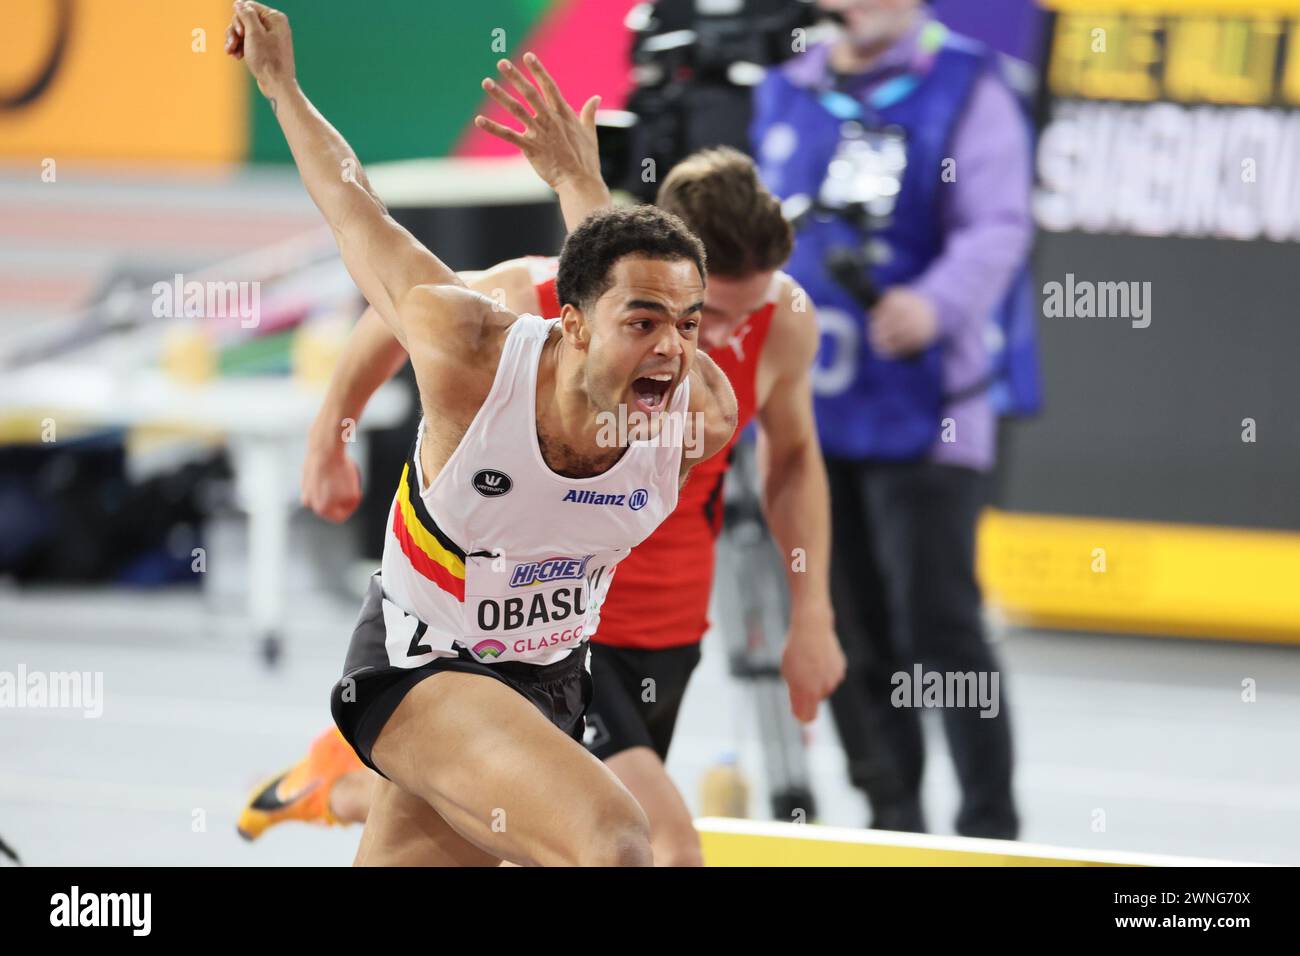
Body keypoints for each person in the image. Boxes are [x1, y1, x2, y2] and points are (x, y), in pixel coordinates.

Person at [237, 51, 845, 864]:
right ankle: (353, 766)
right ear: (575, 323)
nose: (676, 349)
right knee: (627, 844)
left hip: (555, 679)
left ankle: (336, 783)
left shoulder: (694, 417)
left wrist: (812, 612)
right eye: (645, 324)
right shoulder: (476, 352)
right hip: (422, 666)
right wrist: (282, 85)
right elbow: (357, 218)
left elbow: (763, 432)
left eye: (694, 326)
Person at [749, 0, 1036, 838]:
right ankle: (893, 823)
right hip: (811, 413)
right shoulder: (787, 86)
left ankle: (990, 829)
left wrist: (934, 303)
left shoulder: (968, 82)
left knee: (941, 624)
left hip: (930, 407)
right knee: (846, 628)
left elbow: (1000, 223)